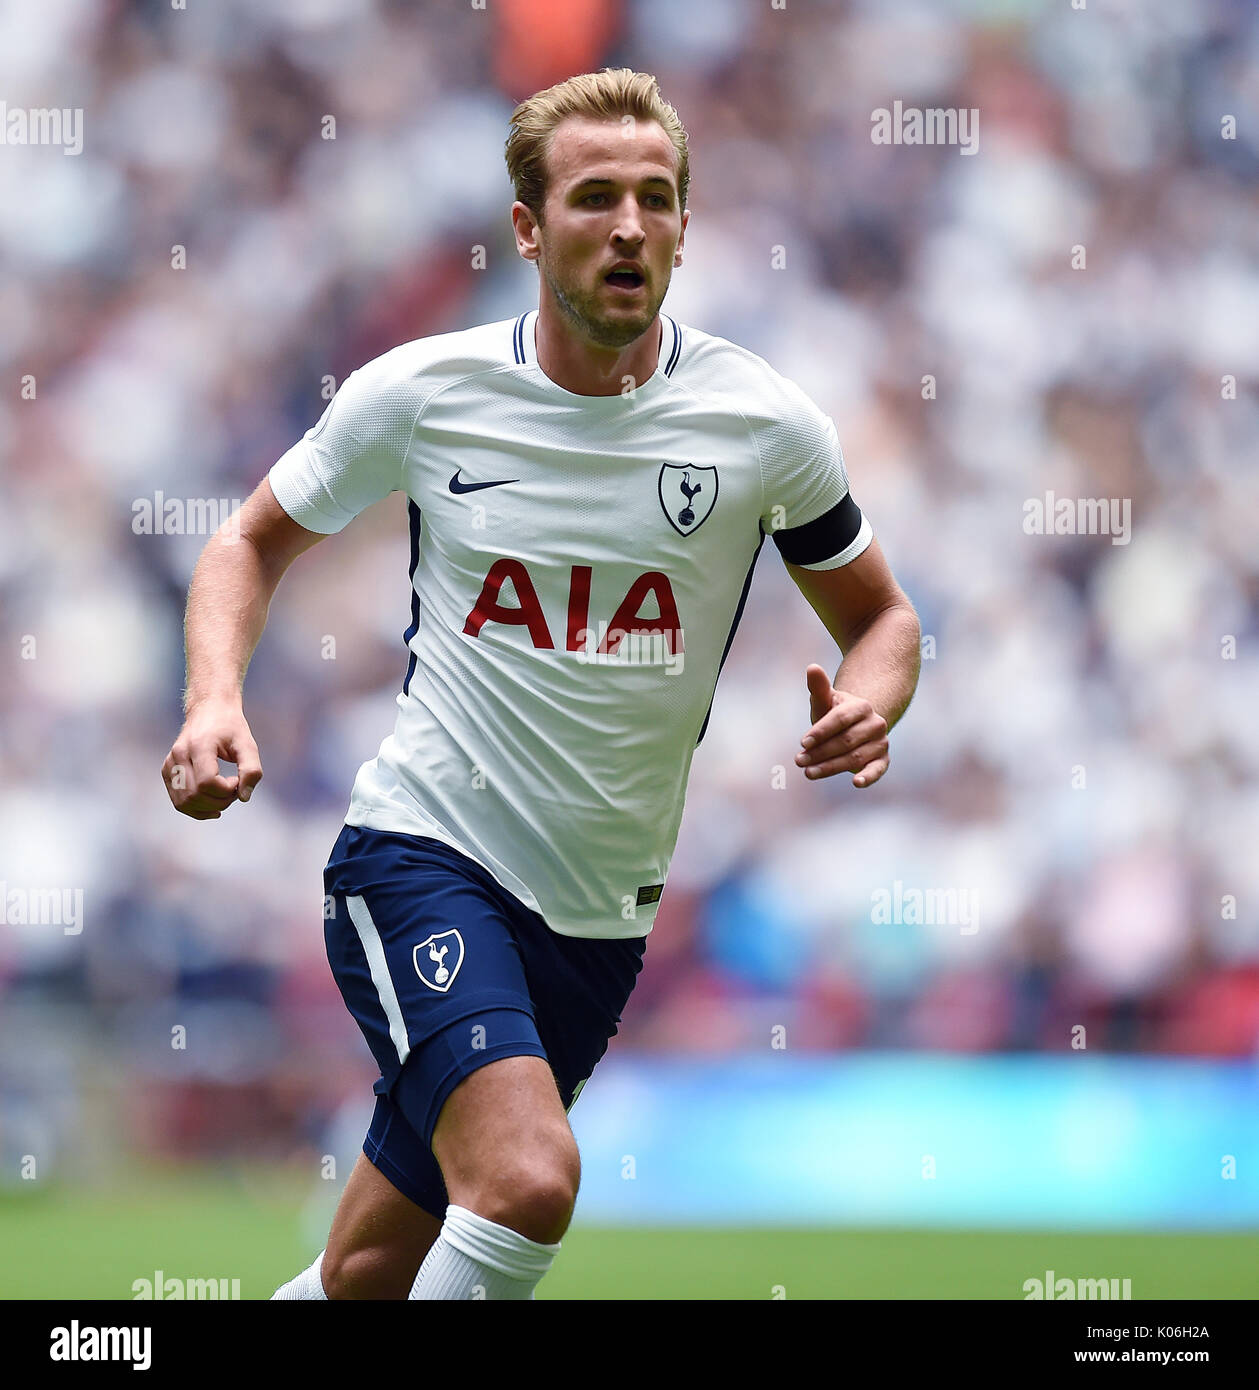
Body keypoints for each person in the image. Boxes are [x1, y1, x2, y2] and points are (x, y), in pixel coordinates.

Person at [162, 68, 920, 1301]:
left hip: (596, 925)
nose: (629, 225)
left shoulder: (760, 424)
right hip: (424, 855)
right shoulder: (424, 393)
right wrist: (212, 698)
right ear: (527, 228)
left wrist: (872, 697)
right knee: (524, 1180)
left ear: (682, 225)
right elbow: (247, 540)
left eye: (656, 199)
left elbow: (881, 615)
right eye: (595, 197)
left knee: (364, 1273)